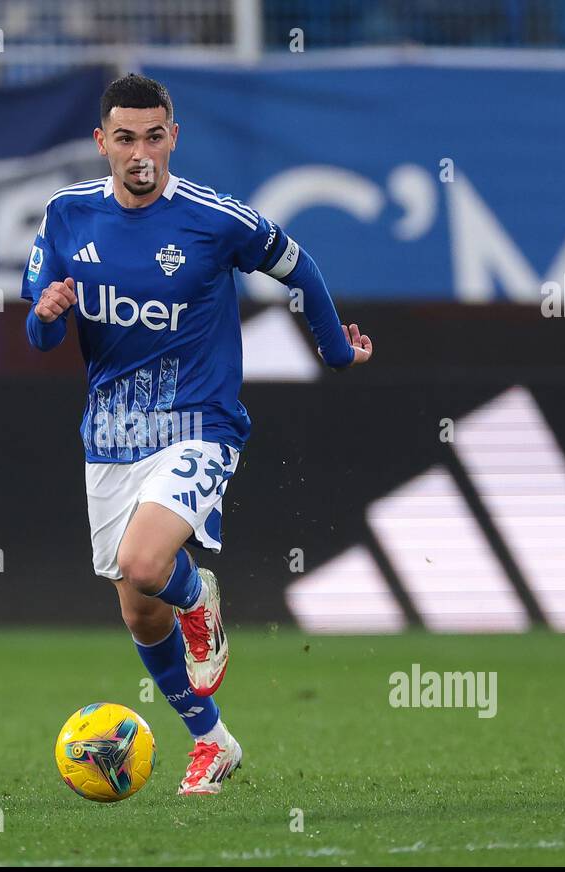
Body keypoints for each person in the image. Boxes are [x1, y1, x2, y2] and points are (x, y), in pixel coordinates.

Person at [21, 74, 372, 795]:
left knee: (151, 566)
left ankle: (197, 595)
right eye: (125, 138)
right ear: (102, 143)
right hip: (111, 436)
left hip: (199, 424)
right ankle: (212, 741)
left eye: (154, 136)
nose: (141, 152)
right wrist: (48, 312)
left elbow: (297, 264)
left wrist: (335, 350)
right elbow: (38, 332)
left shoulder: (216, 220)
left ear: (173, 138)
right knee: (135, 604)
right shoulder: (65, 217)